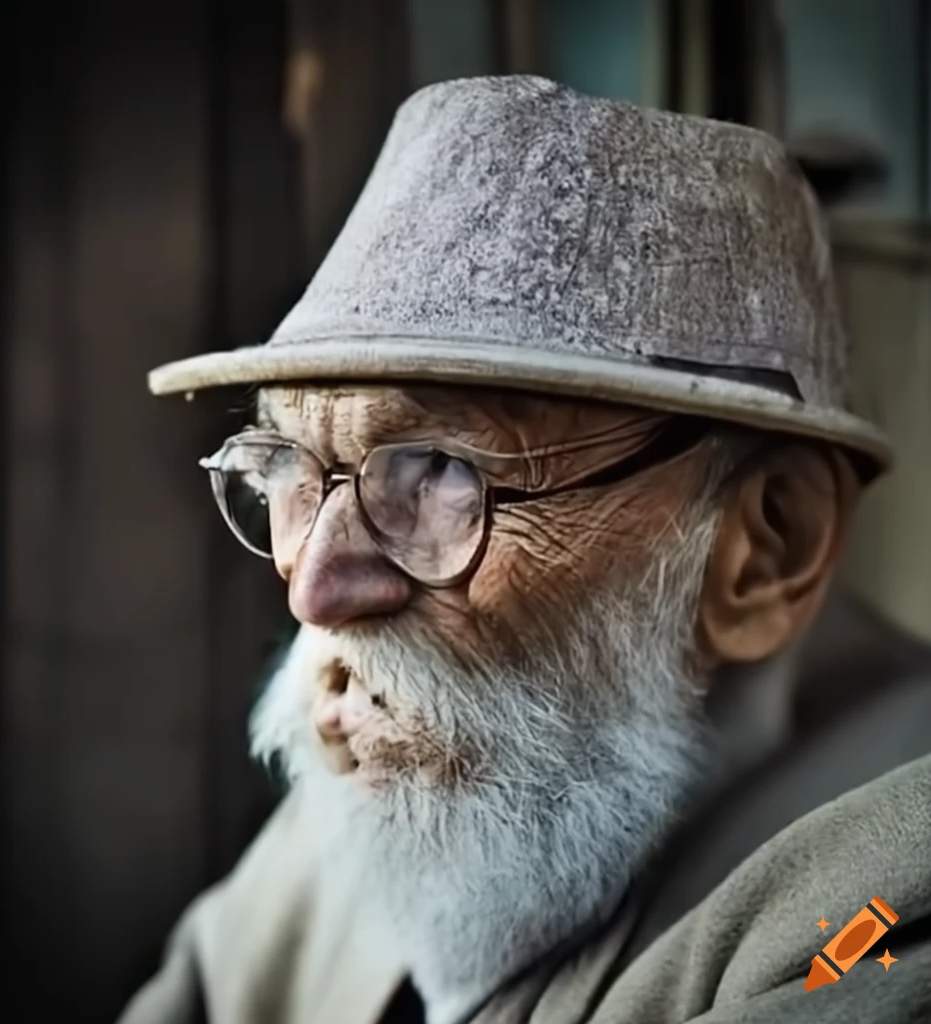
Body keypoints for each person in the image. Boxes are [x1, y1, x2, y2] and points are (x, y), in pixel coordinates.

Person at [119, 76, 931, 1024]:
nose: (316, 590)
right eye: (287, 472)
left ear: (765, 547)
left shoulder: (885, 893)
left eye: (438, 473)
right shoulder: (400, 786)